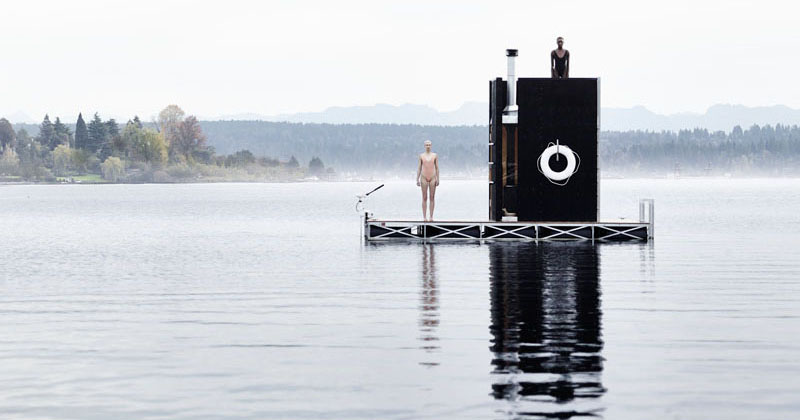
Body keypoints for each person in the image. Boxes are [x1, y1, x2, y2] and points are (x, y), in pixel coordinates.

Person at [416, 140, 439, 221]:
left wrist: (438, 178)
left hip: (432, 177)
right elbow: (419, 168)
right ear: (424, 146)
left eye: (429, 145)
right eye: (426, 145)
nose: (428, 146)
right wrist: (417, 179)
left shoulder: (435, 155)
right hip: (423, 177)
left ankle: (431, 217)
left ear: (431, 145)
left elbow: (437, 168)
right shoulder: (421, 156)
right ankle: (424, 217)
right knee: (424, 197)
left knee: (432, 197)